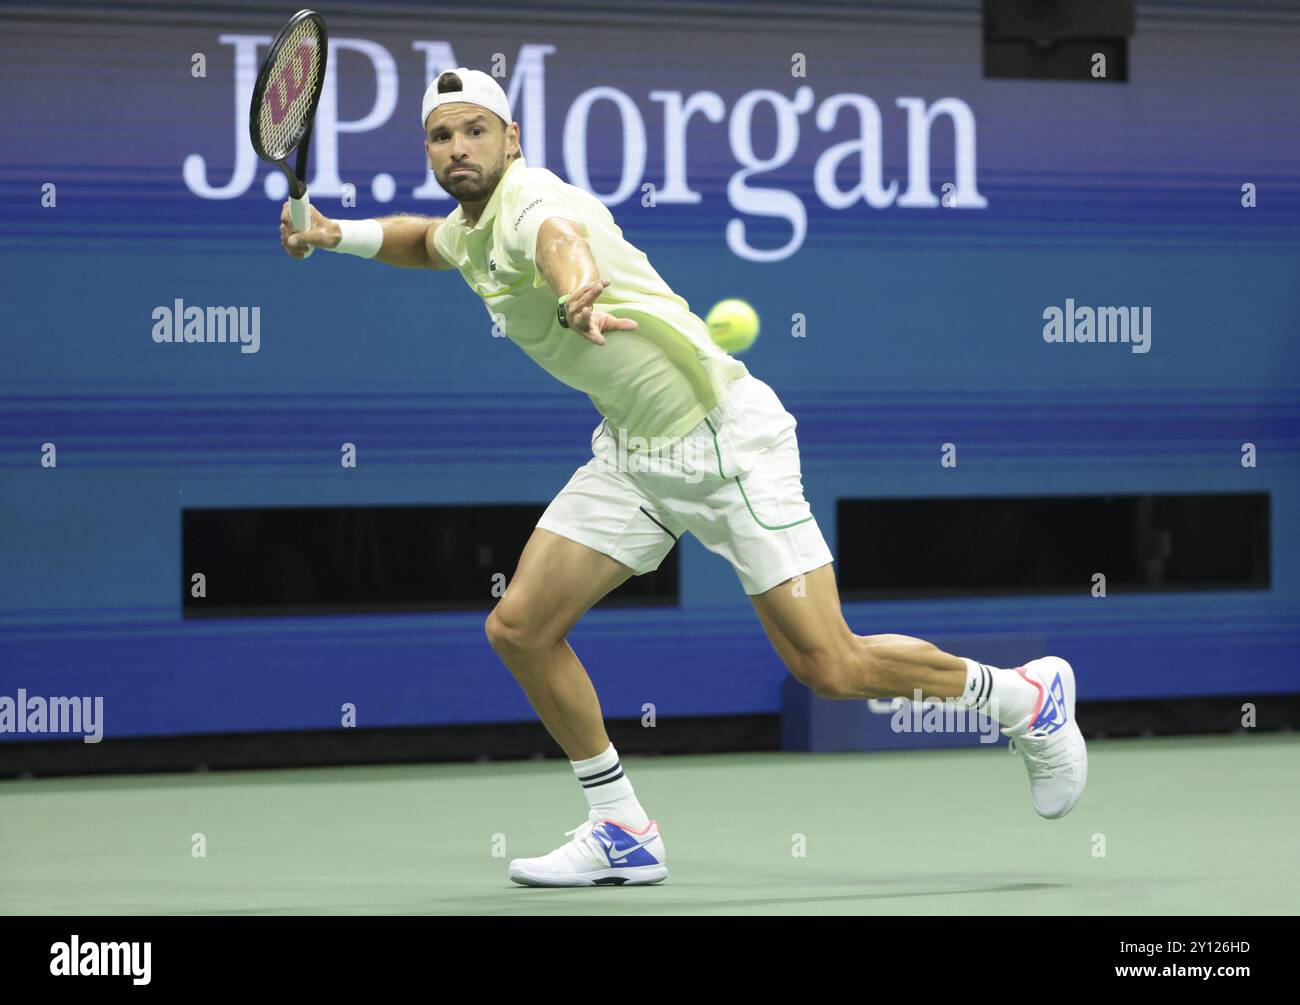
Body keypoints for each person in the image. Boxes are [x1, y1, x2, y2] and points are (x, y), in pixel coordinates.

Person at [280, 67, 1087, 888]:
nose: (458, 148)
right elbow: (430, 243)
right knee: (520, 627)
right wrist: (332, 231)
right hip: (634, 452)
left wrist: (577, 293)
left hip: (725, 445)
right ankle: (621, 827)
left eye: (475, 131)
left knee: (829, 665)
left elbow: (561, 242)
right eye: (442, 136)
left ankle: (1021, 697)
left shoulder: (532, 205)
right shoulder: (473, 226)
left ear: (511, 139)